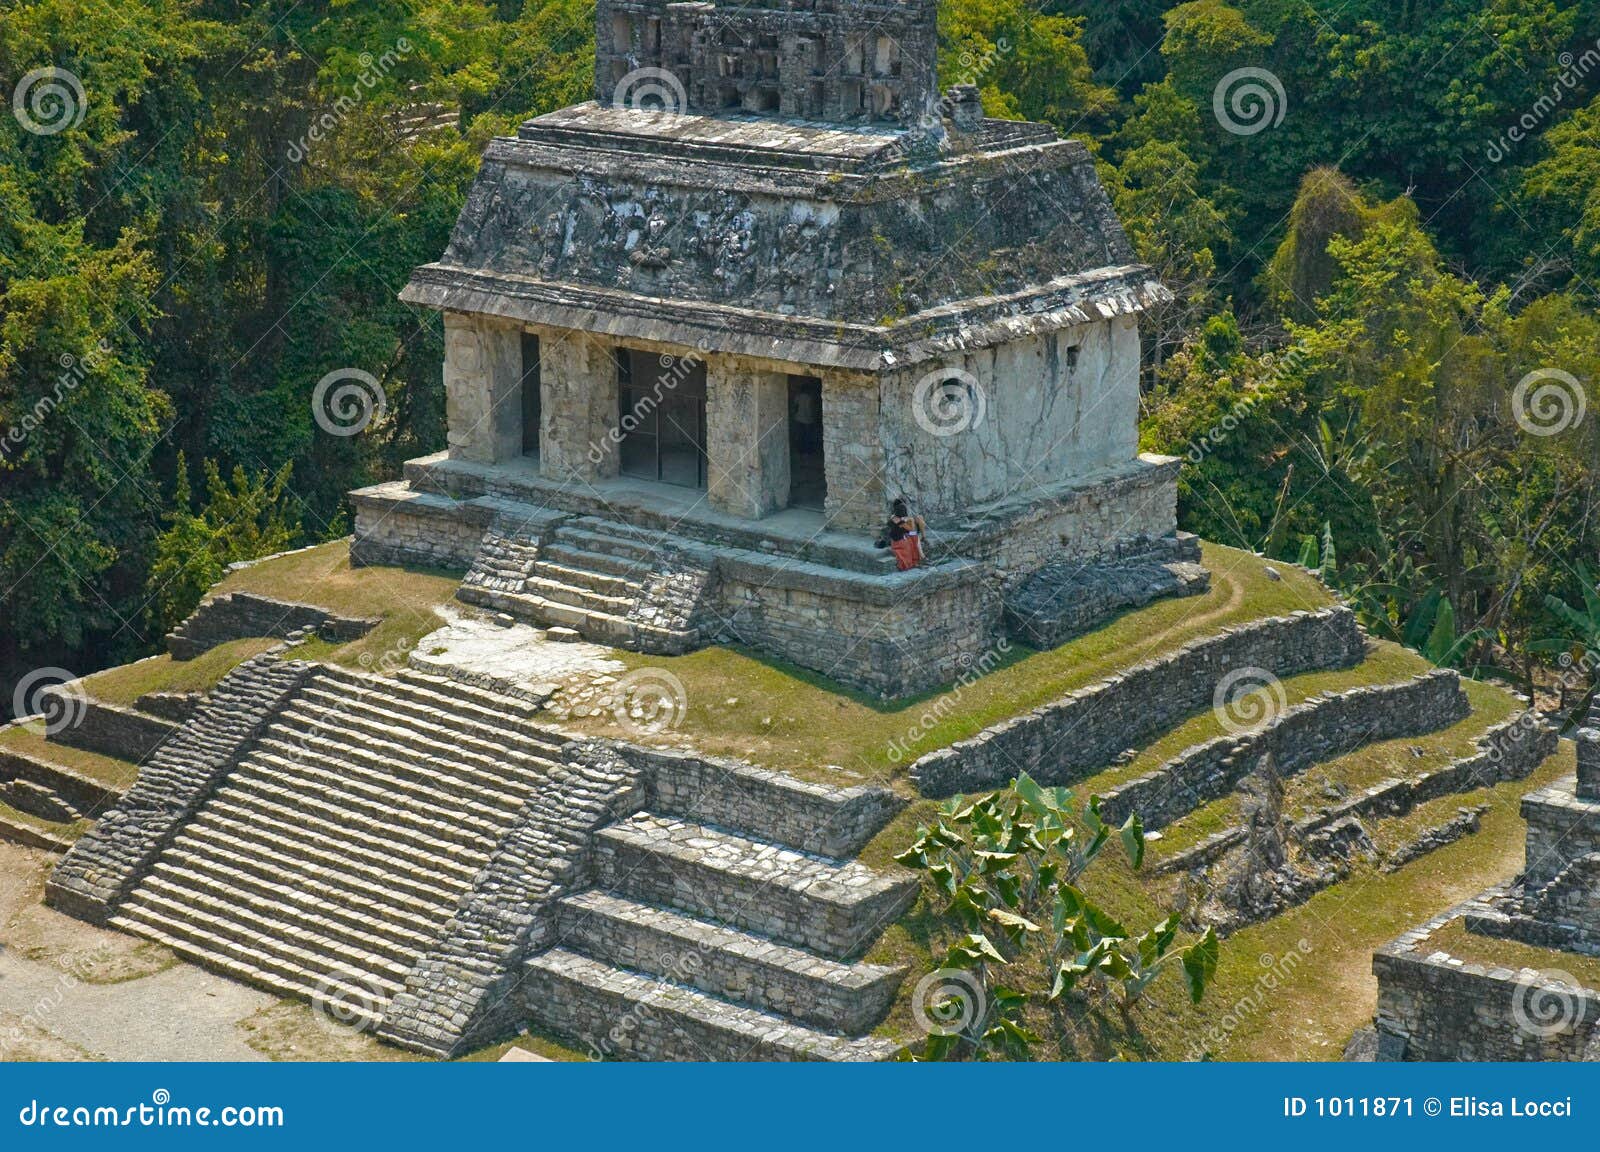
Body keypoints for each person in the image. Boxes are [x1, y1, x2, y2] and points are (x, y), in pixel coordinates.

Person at [885, 498, 927, 571]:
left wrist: (909, 520)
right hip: (900, 537)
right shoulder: (895, 518)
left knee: (919, 519)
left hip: (904, 533)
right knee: (915, 536)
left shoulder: (899, 516)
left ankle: (923, 539)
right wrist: (910, 520)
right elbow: (911, 529)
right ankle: (922, 556)